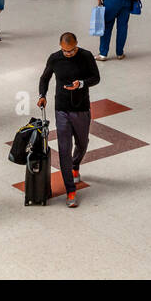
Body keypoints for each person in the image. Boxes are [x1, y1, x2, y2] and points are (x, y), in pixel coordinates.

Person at [37, 32, 101, 208]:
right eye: (66, 51)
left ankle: (76, 165)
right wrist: (42, 95)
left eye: (72, 51)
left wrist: (81, 83)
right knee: (64, 149)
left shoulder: (86, 56)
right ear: (60, 46)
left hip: (81, 108)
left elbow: (96, 78)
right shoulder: (55, 59)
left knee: (82, 143)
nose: (69, 54)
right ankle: (70, 189)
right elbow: (45, 78)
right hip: (62, 109)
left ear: (76, 45)